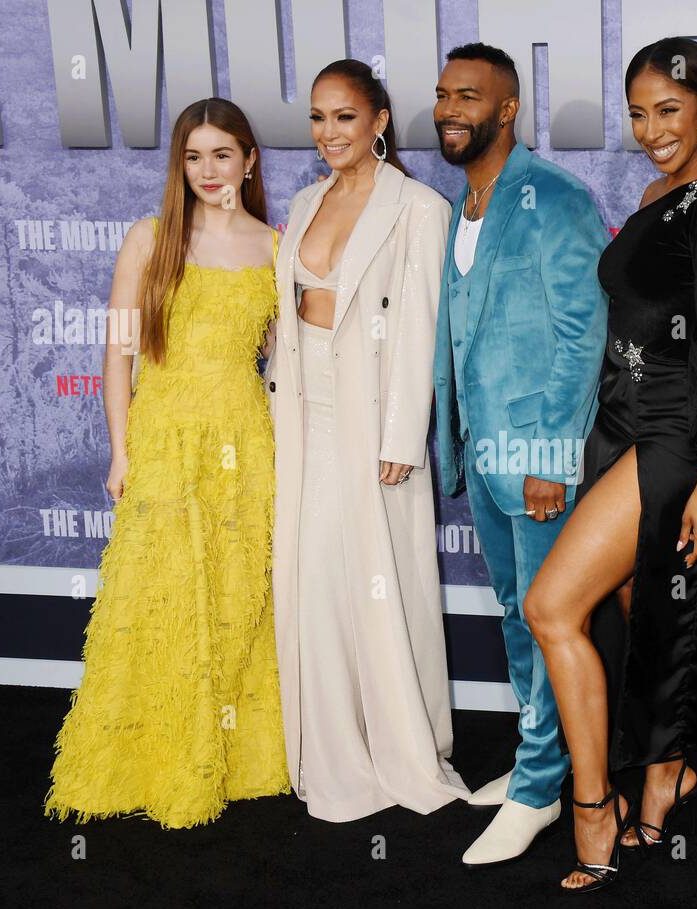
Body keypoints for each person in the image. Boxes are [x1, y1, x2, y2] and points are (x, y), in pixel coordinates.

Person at [523, 38, 697, 892]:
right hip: (620, 427)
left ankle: (596, 810)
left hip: (671, 436)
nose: (653, 128)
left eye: (669, 109)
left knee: (552, 606)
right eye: (639, 112)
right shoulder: (657, 192)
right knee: (643, 611)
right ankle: (666, 776)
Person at [44, 98, 289, 829]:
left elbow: (280, 365)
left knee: (239, 595)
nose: (209, 171)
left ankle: (239, 759)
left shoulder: (277, 246)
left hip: (246, 442)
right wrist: (121, 450)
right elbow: (118, 351)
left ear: (249, 160)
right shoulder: (148, 239)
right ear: (178, 166)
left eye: (223, 155)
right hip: (163, 436)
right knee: (160, 597)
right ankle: (149, 758)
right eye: (194, 156)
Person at [266, 60, 469, 822]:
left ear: (379, 120)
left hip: (373, 411)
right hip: (303, 412)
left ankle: (400, 750)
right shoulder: (304, 199)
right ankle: (330, 745)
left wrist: (401, 433)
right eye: (318, 118)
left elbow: (419, 324)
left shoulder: (417, 207)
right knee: (311, 578)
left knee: (383, 581)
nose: (329, 134)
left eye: (345, 117)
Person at [431, 43, 608, 867]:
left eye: (469, 95)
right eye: (441, 95)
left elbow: (584, 337)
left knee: (548, 617)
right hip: (485, 455)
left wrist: (550, 452)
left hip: (539, 462)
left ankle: (540, 791)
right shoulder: (462, 205)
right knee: (514, 611)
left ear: (507, 110)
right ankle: (538, 758)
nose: (449, 109)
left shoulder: (557, 200)